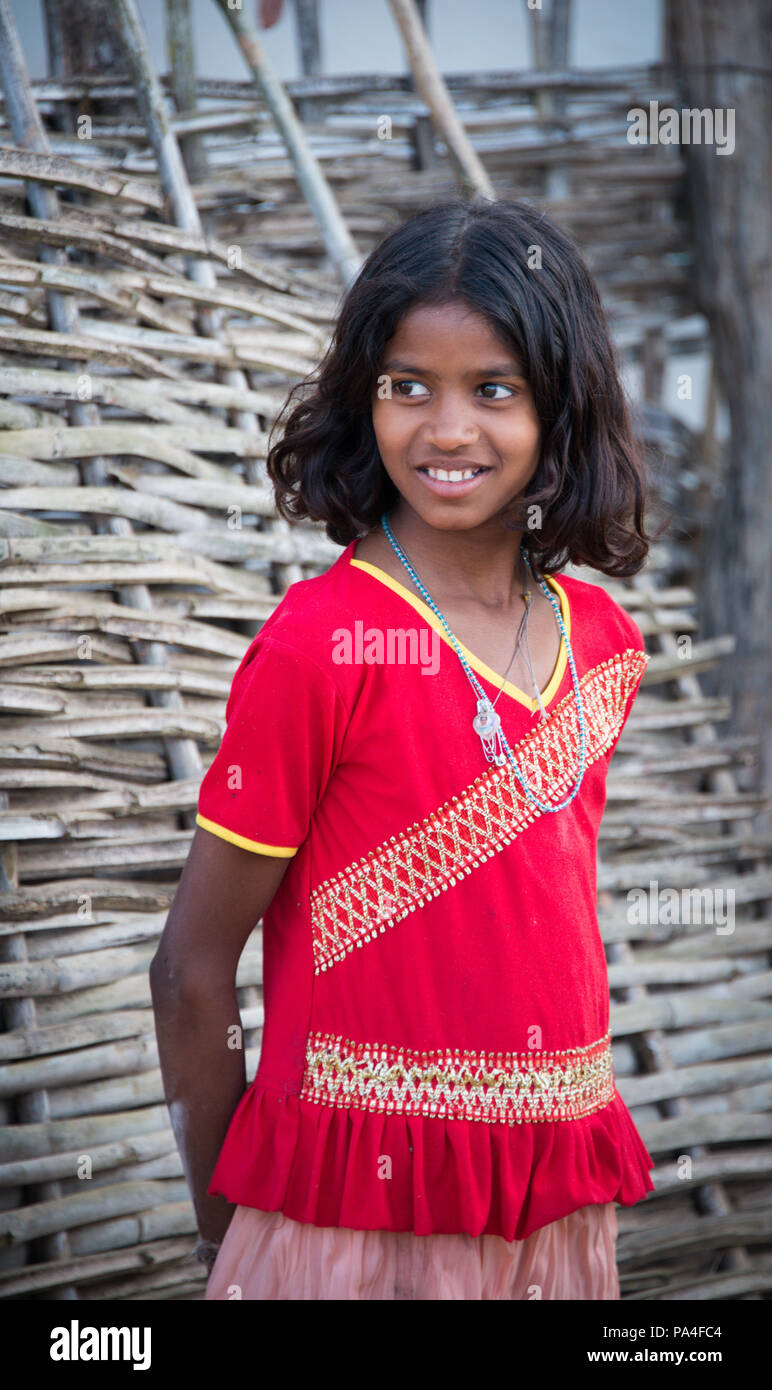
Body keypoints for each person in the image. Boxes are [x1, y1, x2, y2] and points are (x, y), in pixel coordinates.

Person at [150, 197, 659, 1301]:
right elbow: (192, 970)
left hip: (548, 1223)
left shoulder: (604, 646)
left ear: (560, 407)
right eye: (406, 385)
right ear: (362, 397)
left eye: (494, 389)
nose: (446, 430)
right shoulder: (322, 647)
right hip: (350, 1230)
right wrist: (229, 1234)